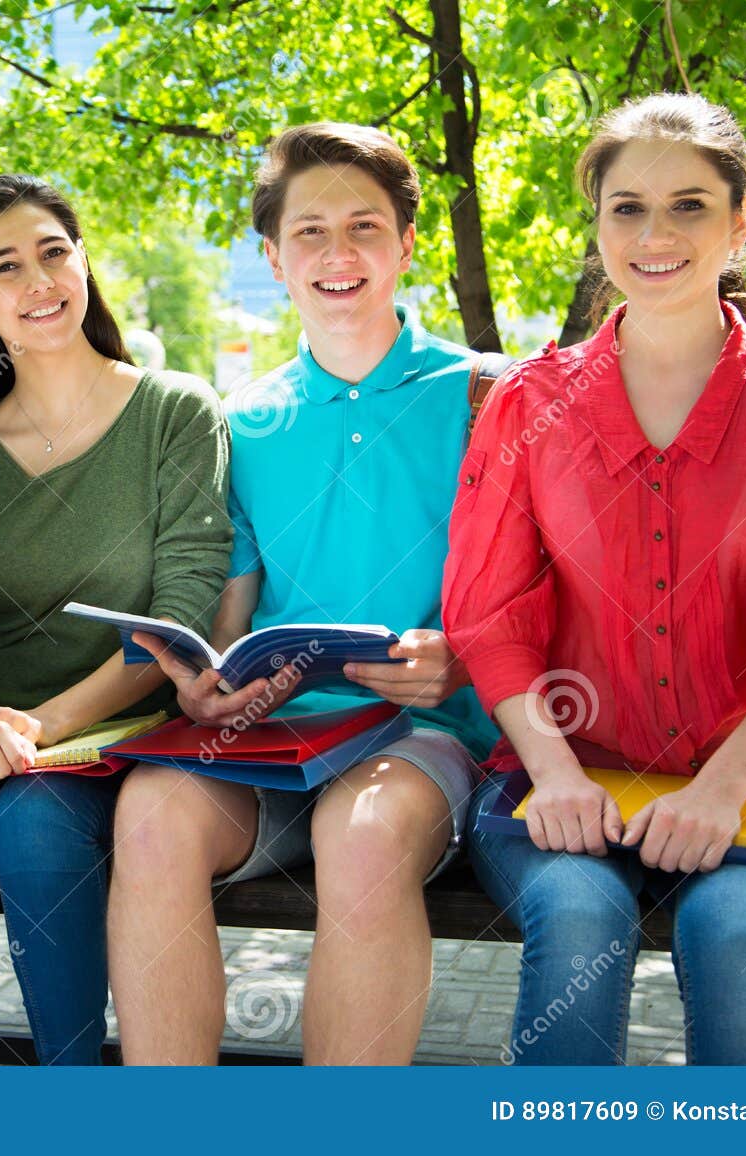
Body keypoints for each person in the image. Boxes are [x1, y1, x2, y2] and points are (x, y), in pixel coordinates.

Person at [444, 93, 746, 1065]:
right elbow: (487, 614)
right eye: (627, 207)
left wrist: (722, 791)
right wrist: (556, 775)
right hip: (557, 786)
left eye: (689, 205)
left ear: (739, 224)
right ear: (596, 224)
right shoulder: (528, 400)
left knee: (731, 930)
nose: (655, 234)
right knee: (577, 918)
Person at [109, 123, 499, 1064]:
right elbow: (232, 617)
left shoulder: (491, 396)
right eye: (310, 232)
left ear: (407, 246)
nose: (339, 254)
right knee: (151, 812)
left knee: (358, 836)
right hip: (275, 737)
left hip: (425, 740)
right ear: (274, 258)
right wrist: (206, 686)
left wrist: (463, 656)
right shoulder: (242, 419)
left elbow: (545, 595)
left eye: (365, 227)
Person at [0, 174, 231, 1064]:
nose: (39, 282)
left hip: (112, 721)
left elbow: (178, 615)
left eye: (54, 253)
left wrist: (44, 728)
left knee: (35, 829)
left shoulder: (176, 411)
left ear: (84, 263)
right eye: (7, 267)